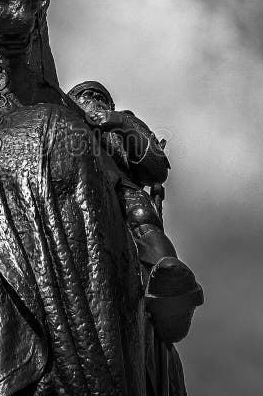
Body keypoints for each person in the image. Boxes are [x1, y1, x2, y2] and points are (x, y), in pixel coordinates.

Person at [68, 81, 203, 396]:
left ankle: (170, 291)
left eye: (99, 97)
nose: (92, 100)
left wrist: (119, 121)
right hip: (70, 183)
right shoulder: (59, 117)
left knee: (143, 221)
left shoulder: (123, 123)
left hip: (122, 188)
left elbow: (155, 168)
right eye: (85, 96)